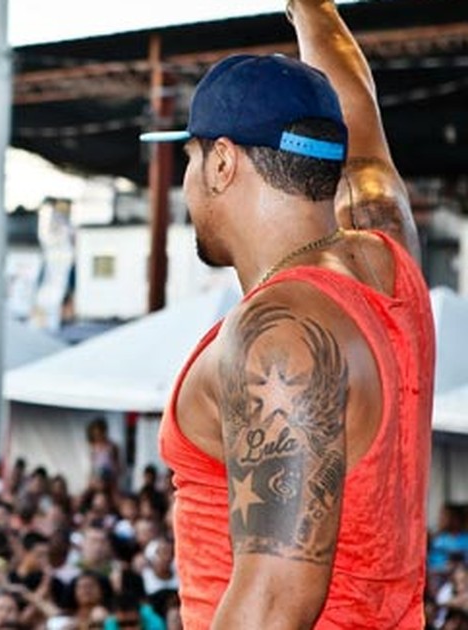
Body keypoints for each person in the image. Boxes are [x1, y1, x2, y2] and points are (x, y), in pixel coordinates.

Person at [143, 0, 434, 627]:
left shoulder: (278, 336)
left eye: (189, 159)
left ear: (221, 162)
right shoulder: (389, 251)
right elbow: (360, 120)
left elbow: (274, 606)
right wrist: (313, 9)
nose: (186, 184)